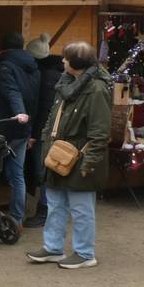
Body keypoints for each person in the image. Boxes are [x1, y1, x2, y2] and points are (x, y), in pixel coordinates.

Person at [25, 42, 111, 270]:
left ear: (76, 63)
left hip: (80, 158)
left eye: (66, 58)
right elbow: (53, 119)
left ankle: (84, 253)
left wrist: (88, 164)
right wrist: (47, 144)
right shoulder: (66, 84)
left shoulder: (97, 90)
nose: (62, 61)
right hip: (57, 155)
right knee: (55, 205)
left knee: (81, 209)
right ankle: (53, 248)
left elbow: (99, 133)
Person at [0, 32, 37, 227]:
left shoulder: (4, 67)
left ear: (4, 48)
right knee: (17, 175)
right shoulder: (34, 68)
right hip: (23, 131)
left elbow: (12, 91)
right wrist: (30, 128)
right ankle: (17, 218)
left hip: (6, 128)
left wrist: (19, 114)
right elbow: (35, 99)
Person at [24, 32, 62, 228]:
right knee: (49, 170)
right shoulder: (57, 73)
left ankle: (46, 209)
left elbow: (43, 110)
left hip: (45, 133)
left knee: (44, 171)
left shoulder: (44, 77)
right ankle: (49, 208)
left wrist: (34, 134)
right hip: (56, 131)